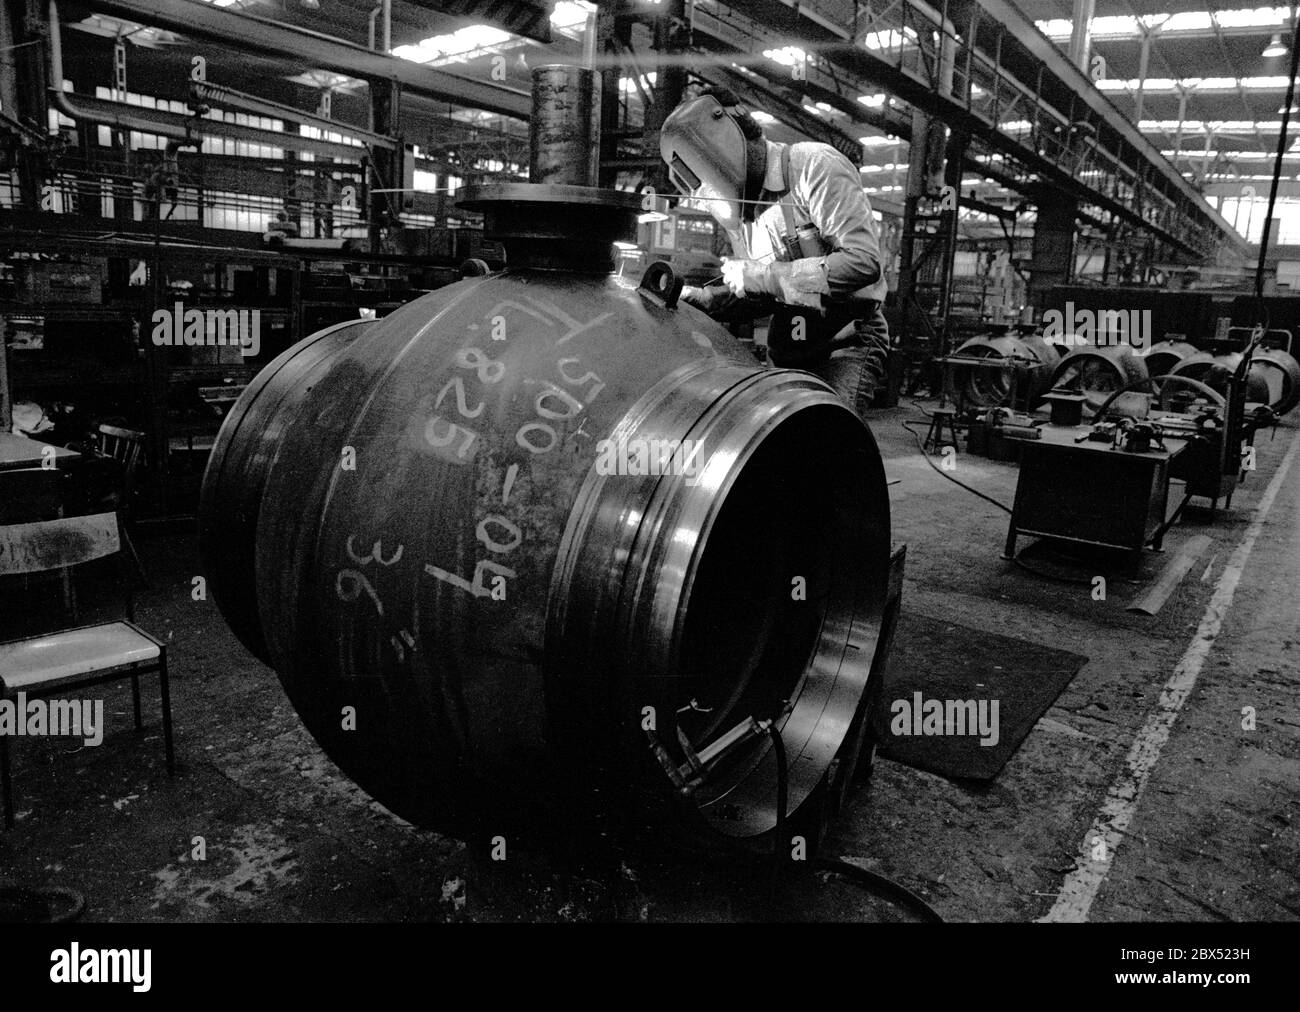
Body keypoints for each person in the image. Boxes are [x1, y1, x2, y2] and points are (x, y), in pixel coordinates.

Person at [659, 88, 890, 420]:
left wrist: (758, 274)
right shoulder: (741, 210)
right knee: (775, 447)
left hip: (846, 339)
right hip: (790, 343)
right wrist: (707, 299)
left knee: (829, 442)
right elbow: (763, 295)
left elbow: (862, 262)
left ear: (727, 144)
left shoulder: (814, 166)